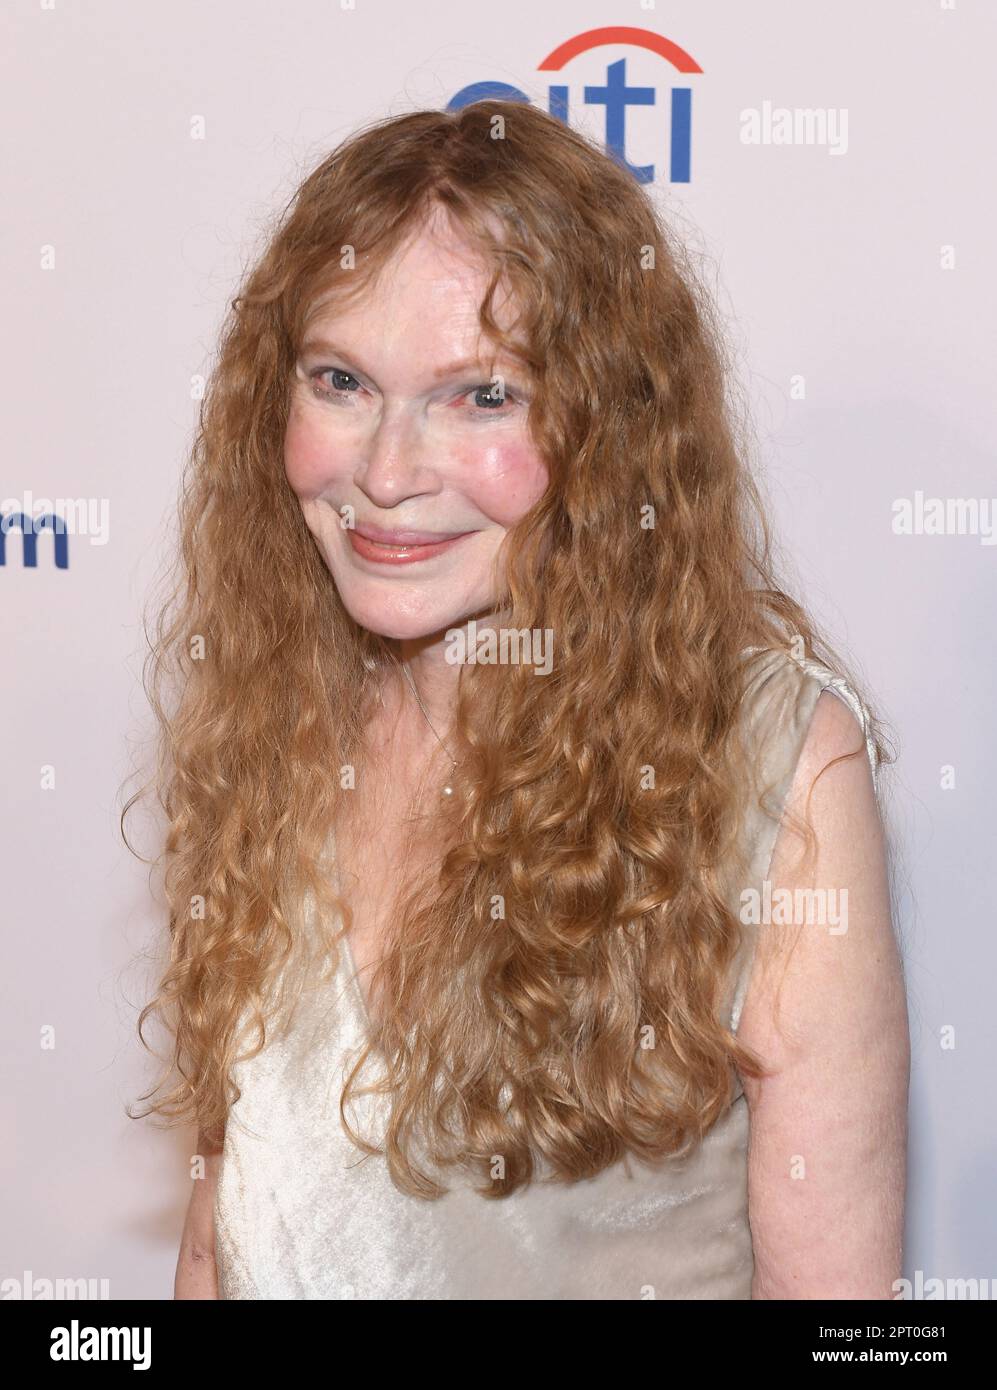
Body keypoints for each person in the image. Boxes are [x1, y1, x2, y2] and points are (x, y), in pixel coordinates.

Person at [128, 101, 909, 1300]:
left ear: (610, 424)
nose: (386, 475)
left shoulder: (768, 770)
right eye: (341, 379)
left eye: (481, 397)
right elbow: (220, 1236)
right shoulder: (268, 713)